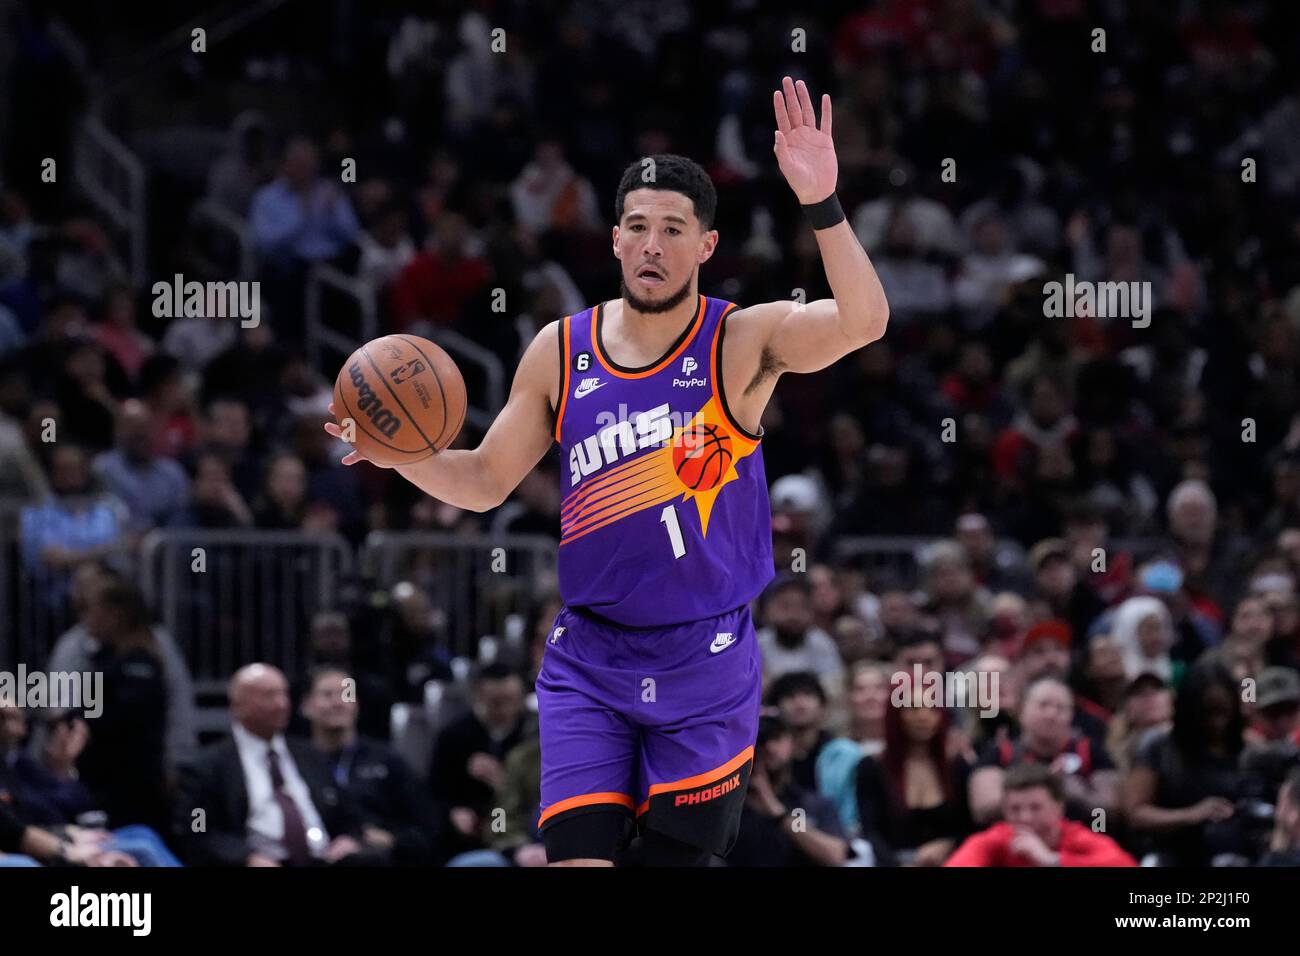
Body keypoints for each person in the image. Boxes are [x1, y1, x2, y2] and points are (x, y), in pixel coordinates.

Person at [325, 77, 890, 867]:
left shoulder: (742, 341)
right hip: (591, 657)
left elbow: (865, 321)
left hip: (706, 660)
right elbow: (487, 480)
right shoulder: (561, 348)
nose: (653, 244)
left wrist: (822, 202)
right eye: (637, 227)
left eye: (672, 229)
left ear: (705, 247)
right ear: (616, 240)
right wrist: (401, 455)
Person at [174, 663, 369, 866]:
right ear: (238, 705)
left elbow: (347, 813)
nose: (281, 704)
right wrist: (245, 857)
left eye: (283, 694)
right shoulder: (208, 766)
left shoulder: (311, 755)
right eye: (268, 696)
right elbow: (198, 827)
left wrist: (349, 838)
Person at [300, 666, 437, 864]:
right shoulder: (293, 760)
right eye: (327, 695)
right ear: (306, 706)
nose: (338, 702)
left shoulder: (387, 760)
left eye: (346, 694)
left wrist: (389, 840)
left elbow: (425, 830)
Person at [1124, 660, 1251, 866]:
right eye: (1209, 713)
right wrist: (1191, 815)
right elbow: (1136, 814)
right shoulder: (1159, 747)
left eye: (1223, 712)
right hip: (1175, 852)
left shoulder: (1250, 747)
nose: (1217, 722)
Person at [969, 675, 1119, 825]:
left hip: (1078, 837)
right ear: (1022, 712)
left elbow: (1109, 811)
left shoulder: (1090, 751)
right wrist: (1043, 790)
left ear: (1071, 716)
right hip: (1013, 838)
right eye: (1043, 705)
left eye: (1061, 708)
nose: (1051, 714)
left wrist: (1079, 794)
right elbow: (984, 810)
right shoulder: (1000, 753)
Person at [855, 673, 973, 865]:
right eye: (913, 707)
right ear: (896, 713)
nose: (923, 716)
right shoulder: (872, 768)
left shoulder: (957, 767)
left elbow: (972, 828)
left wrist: (948, 845)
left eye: (932, 707)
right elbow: (871, 832)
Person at [427, 662, 534, 863]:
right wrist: (452, 813)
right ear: (478, 696)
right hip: (467, 830)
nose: (505, 709)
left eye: (512, 700)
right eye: (496, 702)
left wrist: (504, 782)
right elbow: (433, 792)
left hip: (511, 825)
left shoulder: (530, 735)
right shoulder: (454, 735)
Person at [945, 764, 1136, 867]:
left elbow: (1124, 864)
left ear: (1058, 808)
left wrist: (1053, 861)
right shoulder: (997, 840)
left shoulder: (1077, 838)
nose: (1025, 818)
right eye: (1015, 809)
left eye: (1035, 808)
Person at [726, 712, 849, 867]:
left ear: (793, 743)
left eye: (777, 737)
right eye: (762, 740)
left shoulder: (808, 804)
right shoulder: (731, 806)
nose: (770, 747)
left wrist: (778, 812)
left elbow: (835, 855)